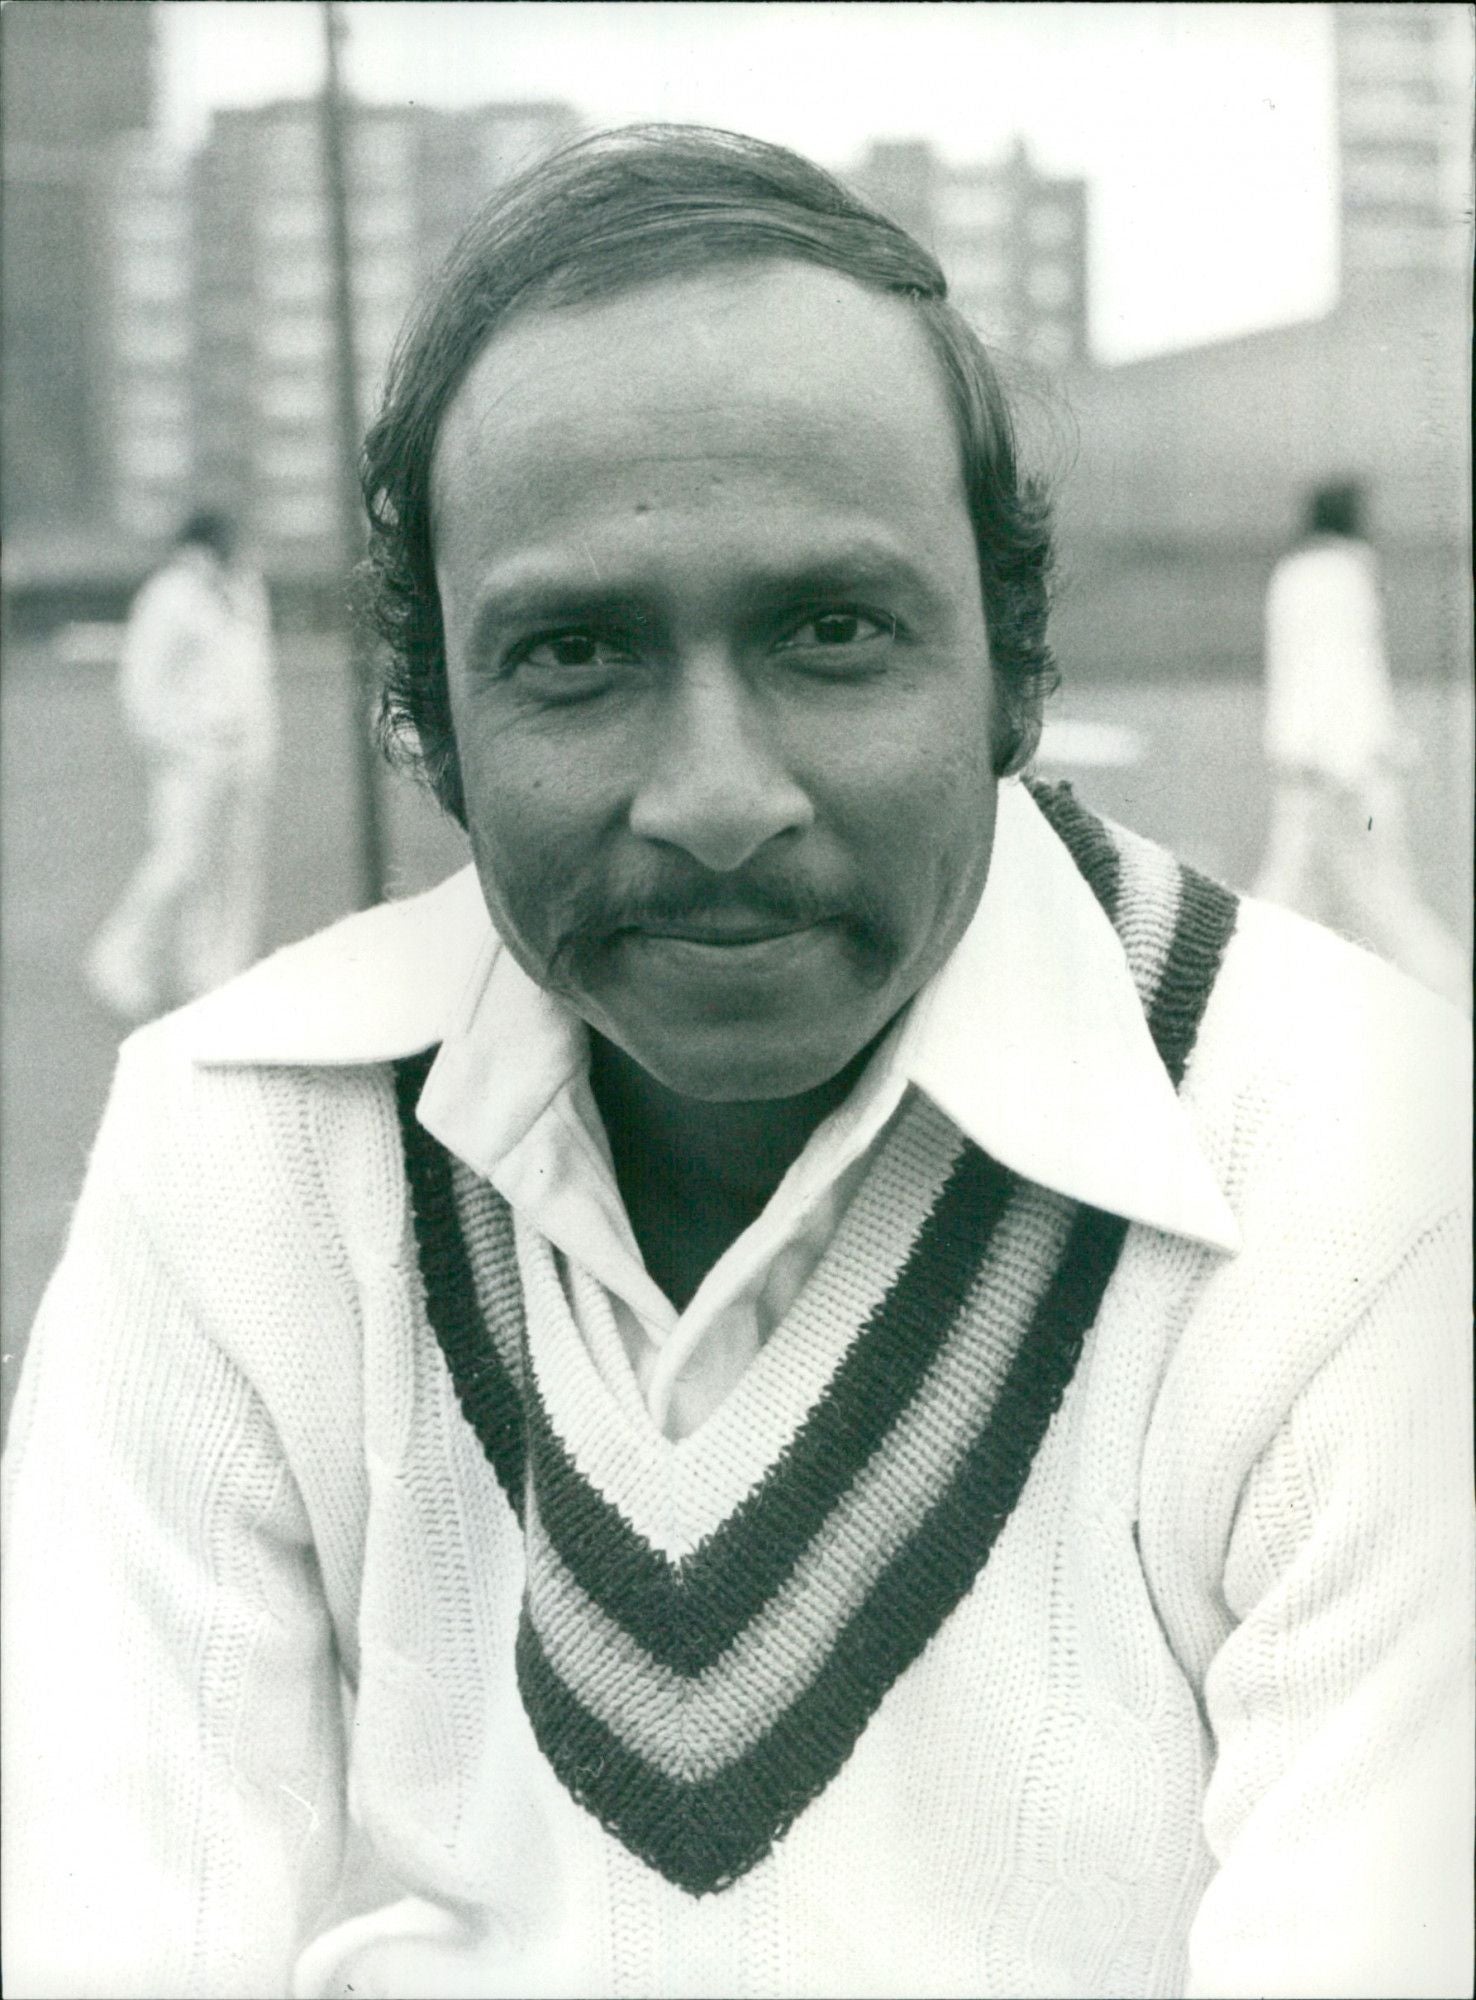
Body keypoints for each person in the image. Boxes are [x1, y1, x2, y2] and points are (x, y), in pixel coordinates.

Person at [3, 128, 1470, 2000]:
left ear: (1013, 670)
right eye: (575, 653)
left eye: (833, 632)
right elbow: (111, 1929)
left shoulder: (1375, 1166)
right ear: (431, 722)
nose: (713, 801)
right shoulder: (236, 1153)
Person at [1253, 479, 1469, 1011]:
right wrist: (1363, 753)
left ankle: (1243, 992)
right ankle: (1453, 991)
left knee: (1290, 897)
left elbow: (1306, 675)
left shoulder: (1296, 574)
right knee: (1375, 897)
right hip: (1345, 772)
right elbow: (1348, 674)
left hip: (1310, 768)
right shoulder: (1342, 576)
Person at [85, 508, 278, 1022]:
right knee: (180, 861)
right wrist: (181, 744)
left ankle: (217, 975)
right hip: (192, 757)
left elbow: (255, 677)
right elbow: (140, 686)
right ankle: (117, 962)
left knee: (236, 869)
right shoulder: (169, 594)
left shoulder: (243, 590)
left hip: (244, 753)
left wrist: (262, 748)